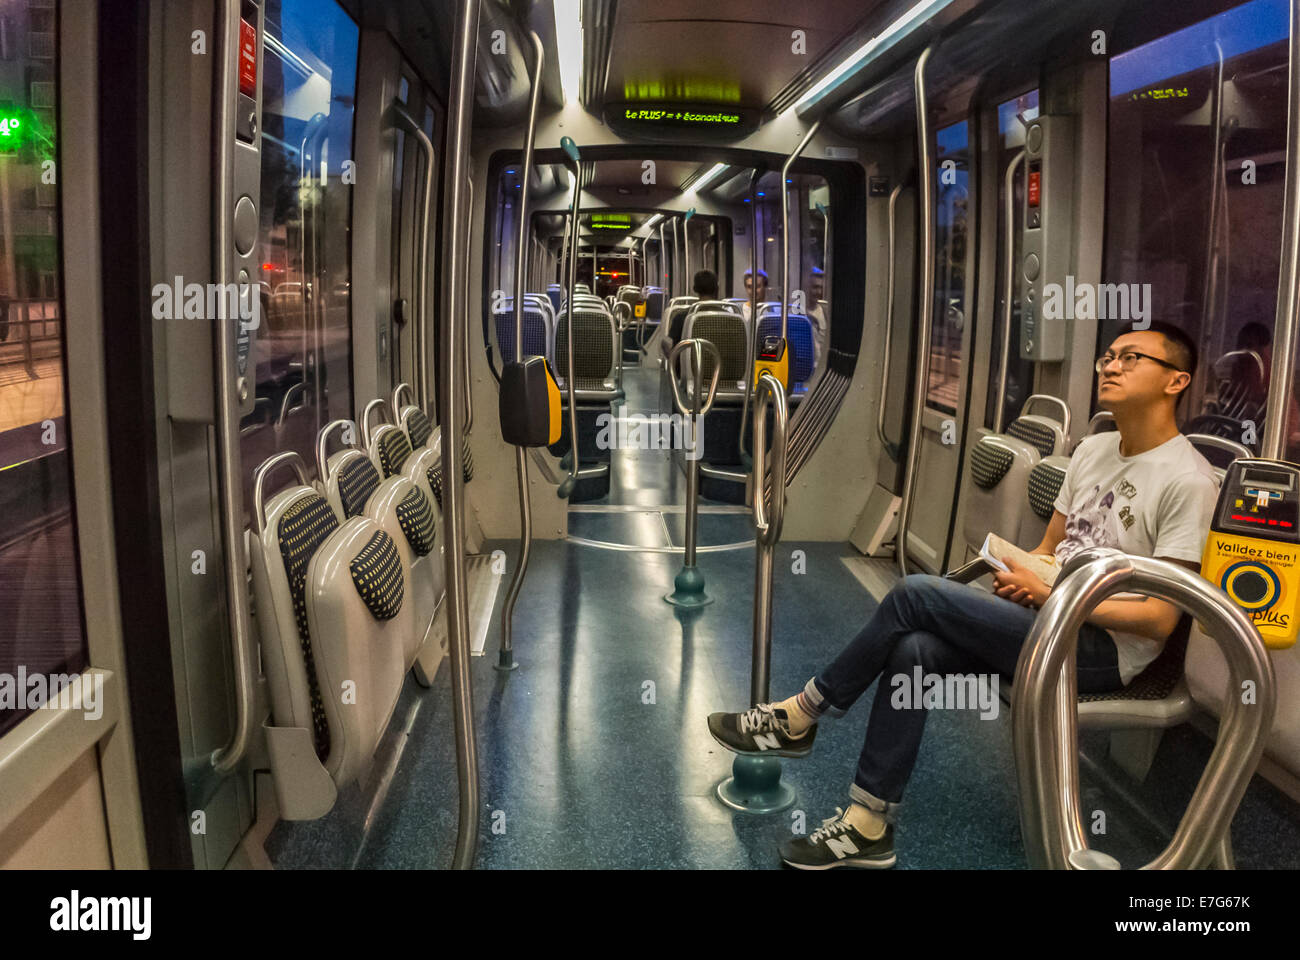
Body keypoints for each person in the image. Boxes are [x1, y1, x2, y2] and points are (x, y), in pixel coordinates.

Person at [708, 321, 1220, 869]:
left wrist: (1049, 592)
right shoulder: (1093, 450)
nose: (1111, 366)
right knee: (914, 653)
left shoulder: (1187, 482)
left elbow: (1159, 620)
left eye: (1131, 358)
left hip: (1099, 651)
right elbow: (1052, 548)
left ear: (1176, 381)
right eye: (1109, 356)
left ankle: (802, 713)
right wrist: (1027, 574)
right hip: (1049, 618)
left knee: (913, 596)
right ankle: (868, 824)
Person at [669, 270, 717, 344]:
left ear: (694, 289)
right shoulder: (730, 319)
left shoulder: (682, 317)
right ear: (716, 288)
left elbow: (676, 351)